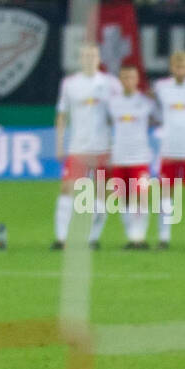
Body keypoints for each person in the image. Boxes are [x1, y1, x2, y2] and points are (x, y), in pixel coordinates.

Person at [51, 42, 120, 249]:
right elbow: (62, 115)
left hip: (103, 148)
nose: (89, 59)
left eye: (93, 55)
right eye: (85, 55)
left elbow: (118, 116)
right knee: (67, 190)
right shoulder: (70, 84)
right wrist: (59, 144)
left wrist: (117, 147)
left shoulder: (111, 84)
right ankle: (61, 238)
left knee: (102, 195)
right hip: (78, 148)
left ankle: (93, 238)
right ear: (80, 59)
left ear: (99, 59)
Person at [152, 49, 185, 248]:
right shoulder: (161, 87)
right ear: (171, 68)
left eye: (183, 65)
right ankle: (164, 238)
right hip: (169, 150)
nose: (180, 69)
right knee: (166, 193)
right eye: (176, 66)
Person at [104, 62, 159, 249]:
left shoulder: (146, 102)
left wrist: (156, 99)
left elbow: (160, 118)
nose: (128, 81)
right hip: (119, 157)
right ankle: (131, 237)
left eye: (132, 77)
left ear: (137, 80)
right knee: (124, 200)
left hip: (140, 157)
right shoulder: (112, 103)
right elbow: (106, 123)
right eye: (125, 77)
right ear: (120, 80)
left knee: (141, 197)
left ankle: (140, 237)